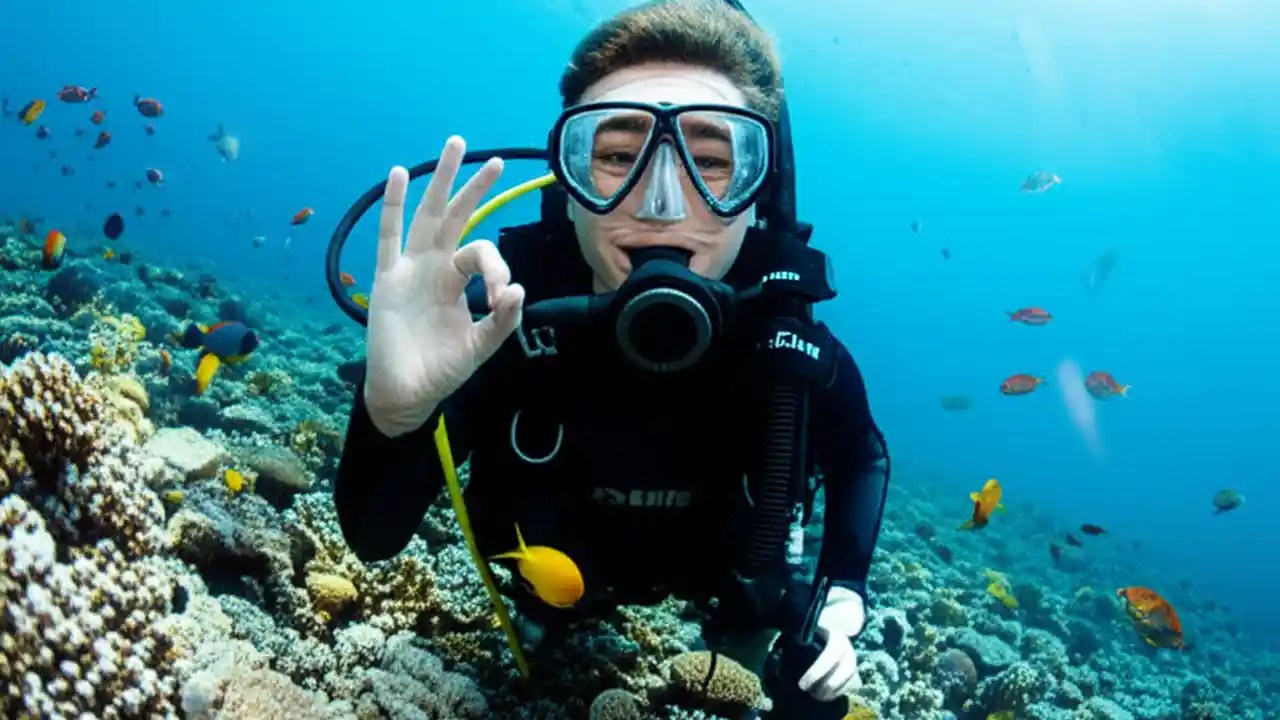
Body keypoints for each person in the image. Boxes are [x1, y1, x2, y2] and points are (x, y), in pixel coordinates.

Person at [333, 0, 890, 716]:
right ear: (570, 183)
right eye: (618, 156)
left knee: (752, 644)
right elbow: (374, 538)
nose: (661, 204)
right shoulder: (502, 329)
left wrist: (842, 598)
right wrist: (392, 414)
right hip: (552, 582)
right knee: (548, 617)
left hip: (730, 594)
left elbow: (862, 456)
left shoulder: (788, 350)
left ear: (759, 195)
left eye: (714, 160)